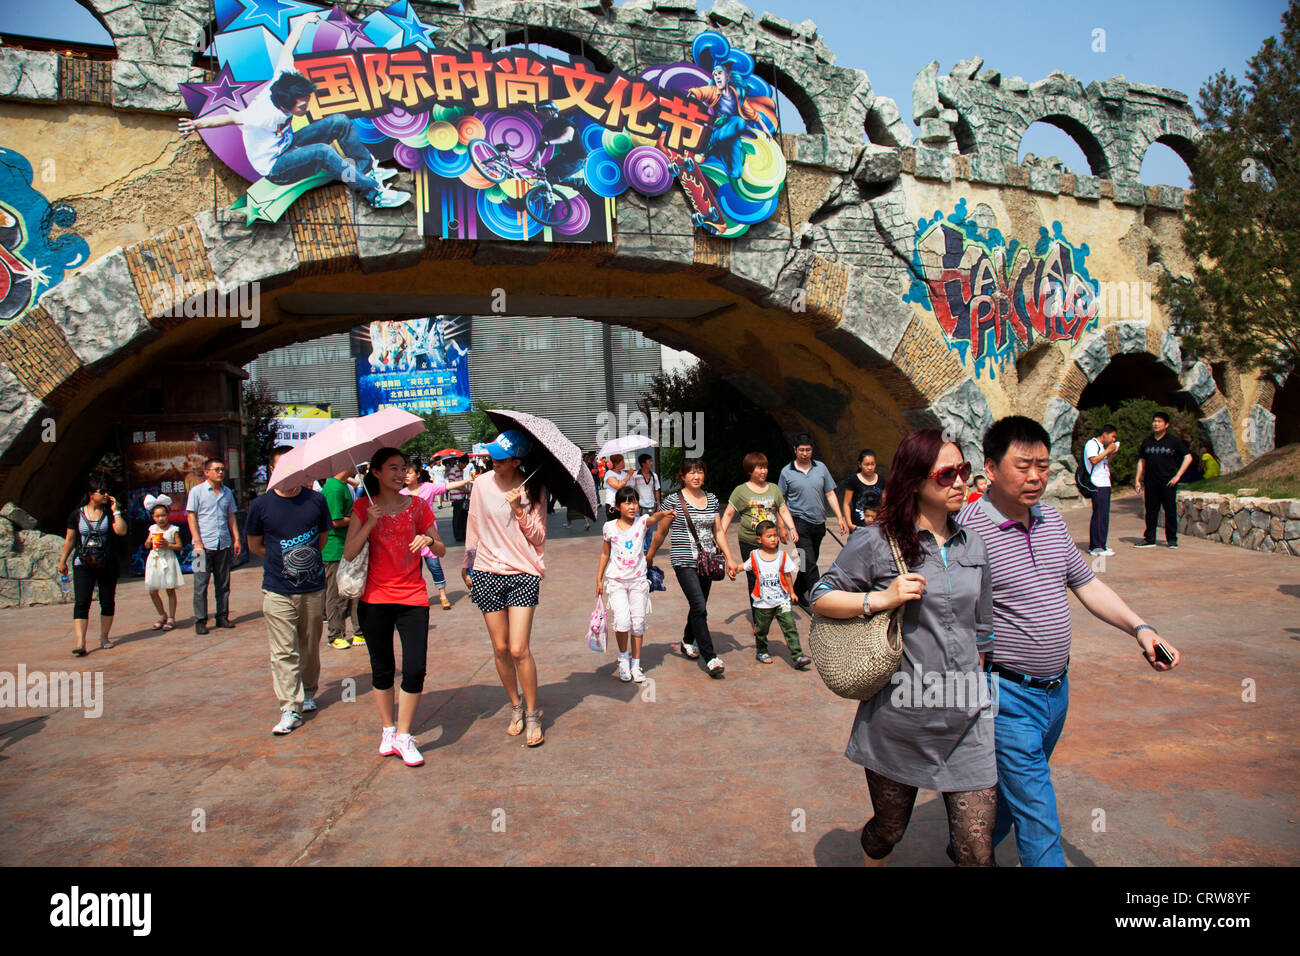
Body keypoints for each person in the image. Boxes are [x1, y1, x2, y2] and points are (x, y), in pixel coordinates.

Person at [958, 416, 1181, 866]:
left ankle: (966, 847)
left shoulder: (1052, 520)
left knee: (1011, 793)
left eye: (1042, 465)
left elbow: (1086, 585)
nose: (1036, 476)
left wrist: (1141, 628)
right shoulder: (966, 533)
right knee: (1039, 817)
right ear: (991, 468)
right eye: (1023, 466)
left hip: (1056, 692)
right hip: (1004, 696)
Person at [813, 428, 997, 866]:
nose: (960, 482)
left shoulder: (974, 544)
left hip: (967, 720)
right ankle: (873, 847)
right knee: (889, 831)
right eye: (947, 474)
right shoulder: (877, 542)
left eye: (964, 471)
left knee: (977, 849)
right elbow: (819, 594)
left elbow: (983, 632)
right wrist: (881, 598)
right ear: (915, 480)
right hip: (899, 720)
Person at [177, 13, 409, 209]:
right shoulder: (262, 115)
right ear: (284, 105)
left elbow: (289, 46)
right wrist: (196, 124)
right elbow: (229, 118)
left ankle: (366, 169)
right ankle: (374, 194)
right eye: (301, 106)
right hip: (276, 167)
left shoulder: (283, 76)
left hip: (288, 145)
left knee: (339, 121)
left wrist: (304, 21)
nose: (306, 107)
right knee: (322, 152)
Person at [343, 447, 444, 766]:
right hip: (374, 600)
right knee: (382, 668)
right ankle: (388, 730)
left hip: (413, 597)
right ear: (375, 473)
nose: (401, 474)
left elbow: (440, 548)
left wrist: (428, 541)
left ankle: (404, 736)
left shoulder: (417, 507)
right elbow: (348, 553)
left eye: (404, 468)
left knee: (415, 668)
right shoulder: (363, 507)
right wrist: (369, 524)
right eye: (393, 468)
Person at [466, 429, 549, 747]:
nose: (493, 462)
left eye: (500, 459)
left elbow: (539, 537)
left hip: (523, 572)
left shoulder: (534, 487)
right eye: (492, 457)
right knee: (499, 648)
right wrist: (468, 563)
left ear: (517, 461)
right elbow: (473, 524)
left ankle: (532, 713)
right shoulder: (481, 484)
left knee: (518, 648)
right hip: (486, 572)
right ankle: (514, 705)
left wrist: (519, 509)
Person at [246, 446, 333, 736]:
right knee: (283, 650)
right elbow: (255, 545)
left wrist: (304, 565)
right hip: (277, 588)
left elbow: (321, 539)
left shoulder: (316, 501)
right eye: (282, 466)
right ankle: (289, 707)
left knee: (309, 645)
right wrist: (281, 565)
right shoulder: (261, 505)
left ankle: (308, 692)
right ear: (273, 470)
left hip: (311, 587)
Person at [646, 458, 739, 678]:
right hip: (683, 561)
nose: (696, 476)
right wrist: (649, 555)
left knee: (699, 605)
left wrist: (730, 558)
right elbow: (661, 532)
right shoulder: (672, 502)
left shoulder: (712, 499)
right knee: (699, 604)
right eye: (691, 473)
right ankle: (711, 657)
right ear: (682, 477)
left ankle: (687, 640)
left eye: (699, 472)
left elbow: (718, 532)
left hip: (707, 560)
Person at [719, 451, 797, 626]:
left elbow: (783, 510)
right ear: (750, 470)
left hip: (771, 541)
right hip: (749, 541)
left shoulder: (774, 489)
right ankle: (758, 618)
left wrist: (791, 528)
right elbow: (729, 514)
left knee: (774, 574)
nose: (763, 471)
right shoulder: (741, 491)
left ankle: (775, 607)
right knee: (754, 578)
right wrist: (720, 536)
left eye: (765, 467)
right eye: (759, 468)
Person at [778, 433, 848, 611]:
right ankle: (819, 598)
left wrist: (840, 517)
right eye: (801, 450)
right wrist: (782, 526)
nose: (804, 453)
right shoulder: (787, 472)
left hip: (818, 523)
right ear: (795, 450)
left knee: (809, 560)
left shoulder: (821, 468)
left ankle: (798, 591)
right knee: (809, 562)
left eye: (808, 450)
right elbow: (780, 501)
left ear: (812, 450)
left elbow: (830, 493)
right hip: (798, 523)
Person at [58, 480, 128, 656]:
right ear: (91, 494)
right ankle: (80, 642)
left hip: (106, 563)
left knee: (107, 600)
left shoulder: (109, 514)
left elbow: (121, 531)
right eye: (102, 492)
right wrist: (62, 560)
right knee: (82, 602)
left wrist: (116, 510)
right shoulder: (76, 515)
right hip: (82, 564)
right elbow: (70, 539)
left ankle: (104, 637)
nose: (105, 495)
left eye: (106, 492)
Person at [596, 486, 652, 683]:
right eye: (627, 502)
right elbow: (605, 554)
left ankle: (636, 664)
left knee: (637, 623)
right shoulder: (609, 527)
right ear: (618, 506)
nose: (632, 506)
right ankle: (623, 660)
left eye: (635, 502)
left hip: (638, 581)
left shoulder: (642, 523)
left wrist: (665, 513)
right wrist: (599, 579)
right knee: (622, 621)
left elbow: (654, 519)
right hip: (616, 581)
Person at [186, 457, 241, 634]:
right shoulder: (197, 492)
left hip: (223, 544)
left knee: (223, 582)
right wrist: (197, 540)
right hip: (201, 547)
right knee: (200, 585)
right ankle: (200, 620)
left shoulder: (227, 493)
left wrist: (237, 539)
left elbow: (231, 516)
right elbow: (191, 516)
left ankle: (222, 616)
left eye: (222, 470)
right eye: (216, 469)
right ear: (206, 472)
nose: (220, 472)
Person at [747, 521, 811, 669]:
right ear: (759, 540)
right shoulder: (755, 556)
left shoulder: (782, 556)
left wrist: (792, 592)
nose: (774, 539)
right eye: (769, 536)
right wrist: (733, 569)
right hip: (763, 602)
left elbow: (787, 575)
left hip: (782, 600)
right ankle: (761, 650)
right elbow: (744, 566)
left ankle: (798, 656)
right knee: (762, 629)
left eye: (775, 535)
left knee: (790, 627)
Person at [1135, 411, 1193, 549]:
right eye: (1154, 421)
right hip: (1150, 482)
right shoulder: (1147, 441)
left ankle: (1172, 540)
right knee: (1151, 512)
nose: (1156, 424)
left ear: (1166, 425)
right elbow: (1141, 461)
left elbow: (1188, 457)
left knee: (1170, 511)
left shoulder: (1173, 441)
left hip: (1168, 482)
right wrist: (1137, 479)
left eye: (1159, 421)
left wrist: (1178, 476)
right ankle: (1149, 539)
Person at [322, 467, 364, 651]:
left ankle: (358, 631)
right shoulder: (334, 488)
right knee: (336, 594)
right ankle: (336, 634)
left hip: (349, 546)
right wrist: (358, 516)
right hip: (335, 549)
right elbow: (334, 520)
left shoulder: (345, 485)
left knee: (354, 590)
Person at [401, 463, 452, 610]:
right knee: (414, 570)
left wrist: (468, 481)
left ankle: (442, 594)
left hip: (429, 535)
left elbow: (447, 487)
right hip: (411, 539)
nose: (406, 476)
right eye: (404, 473)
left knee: (435, 566)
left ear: (417, 474)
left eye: (409, 473)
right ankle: (417, 597)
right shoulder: (401, 494)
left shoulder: (427, 488)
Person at [144, 495, 182, 632]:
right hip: (155, 560)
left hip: (168, 559)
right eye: (158, 516)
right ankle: (162, 614)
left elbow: (179, 546)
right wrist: (149, 543)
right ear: (153, 517)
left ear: (168, 515)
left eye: (163, 515)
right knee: (153, 590)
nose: (161, 519)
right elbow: (147, 544)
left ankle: (171, 617)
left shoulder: (173, 529)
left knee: (170, 589)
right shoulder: (152, 529)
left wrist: (168, 544)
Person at [1083, 424, 1120, 556]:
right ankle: (1095, 547)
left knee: (1103, 516)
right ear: (1105, 434)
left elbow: (1104, 462)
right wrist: (1108, 450)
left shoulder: (1102, 447)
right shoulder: (1092, 444)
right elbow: (1093, 460)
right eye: (1112, 436)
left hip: (1104, 482)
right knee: (1099, 515)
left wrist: (1112, 452)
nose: (1113, 439)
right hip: (1097, 483)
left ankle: (1101, 544)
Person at [843, 448, 887, 532]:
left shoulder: (881, 480)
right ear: (860, 464)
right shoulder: (853, 480)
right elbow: (846, 503)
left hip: (876, 525)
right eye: (866, 464)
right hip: (858, 525)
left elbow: (884, 502)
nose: (870, 467)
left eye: (872, 464)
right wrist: (849, 524)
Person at [630, 453, 662, 551]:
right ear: (643, 463)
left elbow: (656, 490)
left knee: (650, 530)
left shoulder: (654, 476)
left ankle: (647, 548)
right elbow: (631, 489)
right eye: (650, 461)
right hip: (639, 506)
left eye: (652, 461)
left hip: (651, 506)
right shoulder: (635, 475)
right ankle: (642, 549)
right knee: (640, 528)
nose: (651, 463)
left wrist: (658, 503)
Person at [447, 455, 470, 543]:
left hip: (462, 496)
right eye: (464, 464)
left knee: (463, 517)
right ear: (461, 463)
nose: (465, 467)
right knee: (458, 517)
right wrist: (465, 490)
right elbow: (453, 483)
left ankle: (463, 534)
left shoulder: (460, 470)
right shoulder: (454, 470)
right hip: (456, 498)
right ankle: (458, 535)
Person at [603, 453, 631, 521]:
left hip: (624, 503)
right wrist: (628, 476)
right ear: (616, 464)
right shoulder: (609, 473)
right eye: (622, 461)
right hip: (613, 504)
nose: (624, 463)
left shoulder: (623, 473)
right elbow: (618, 486)